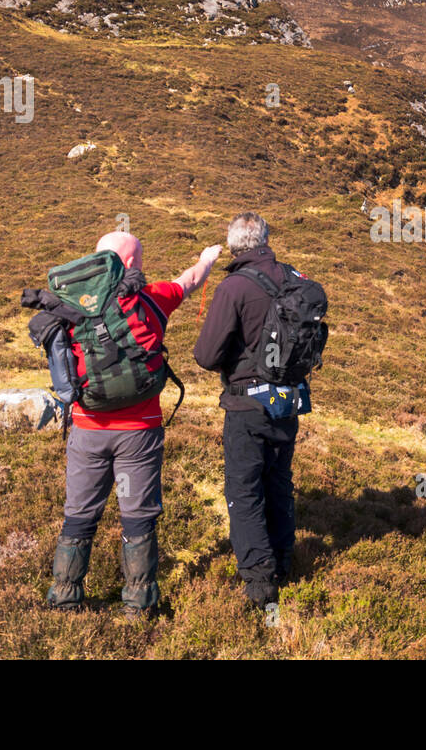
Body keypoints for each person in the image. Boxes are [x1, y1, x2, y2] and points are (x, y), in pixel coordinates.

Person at [45, 231, 221, 616]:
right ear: (128, 263)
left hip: (87, 428)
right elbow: (189, 281)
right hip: (139, 431)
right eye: (139, 260)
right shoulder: (151, 299)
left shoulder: (67, 305)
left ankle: (64, 599)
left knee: (79, 514)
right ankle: (139, 607)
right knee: (138, 516)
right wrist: (208, 258)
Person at [194, 212, 313, 608]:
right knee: (278, 481)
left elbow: (206, 355)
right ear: (265, 239)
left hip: (247, 405)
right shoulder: (293, 278)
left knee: (244, 491)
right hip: (288, 401)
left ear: (232, 246)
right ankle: (283, 562)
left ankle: (261, 586)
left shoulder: (233, 288)